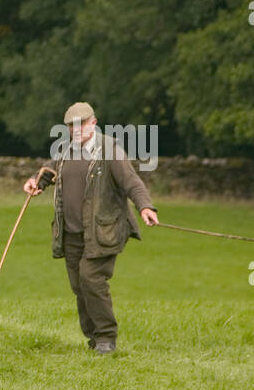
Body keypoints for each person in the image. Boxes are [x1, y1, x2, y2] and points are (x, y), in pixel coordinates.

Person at [23, 102, 159, 354]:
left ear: (93, 123)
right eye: (71, 125)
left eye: (81, 124)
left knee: (91, 279)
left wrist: (145, 207)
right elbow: (50, 170)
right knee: (78, 285)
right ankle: (94, 337)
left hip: (102, 231)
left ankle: (107, 337)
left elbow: (132, 182)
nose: (76, 129)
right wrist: (36, 182)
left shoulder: (110, 150)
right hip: (71, 232)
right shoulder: (65, 150)